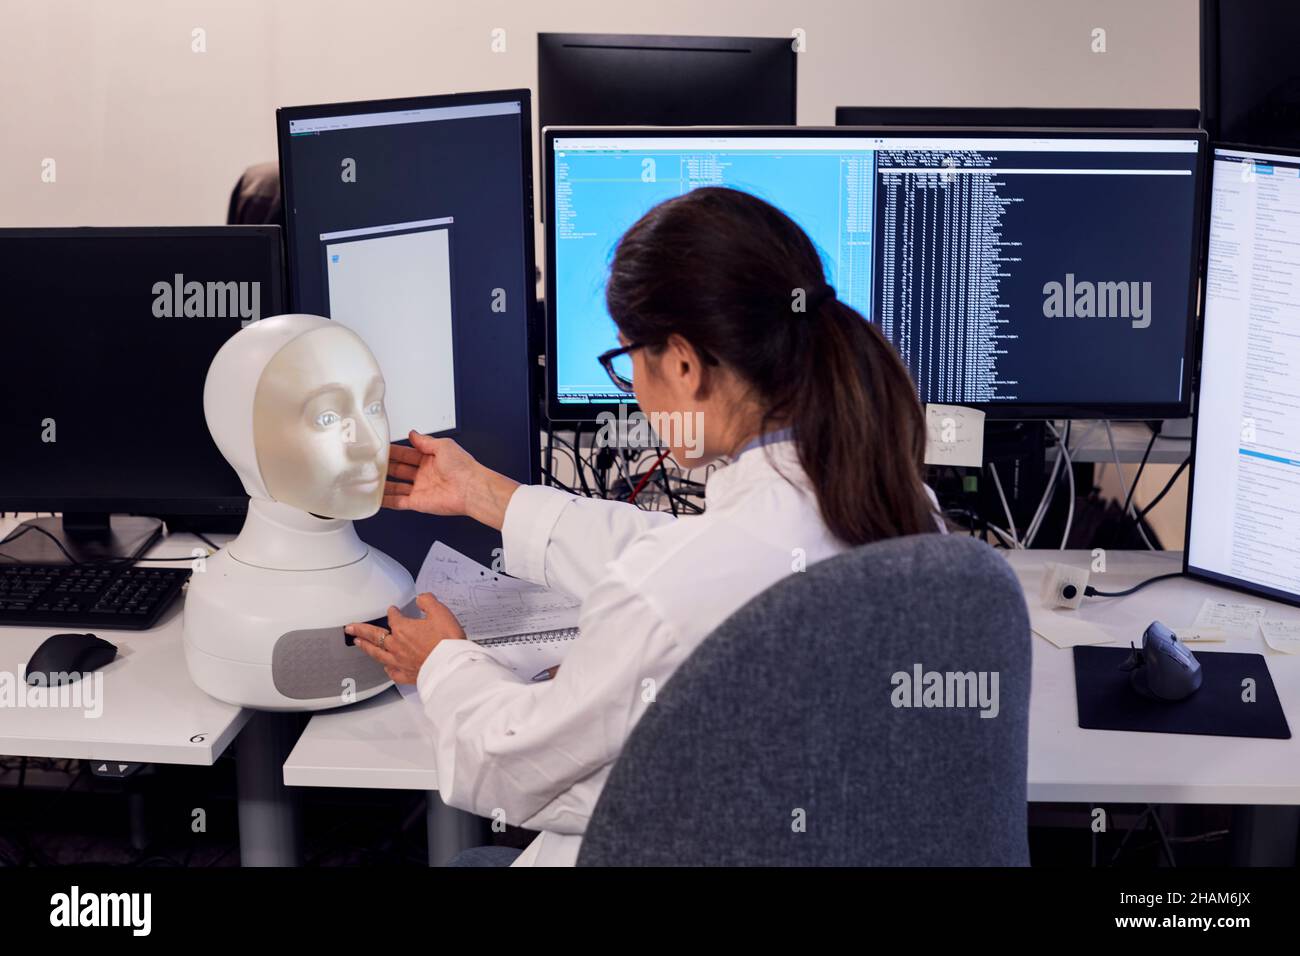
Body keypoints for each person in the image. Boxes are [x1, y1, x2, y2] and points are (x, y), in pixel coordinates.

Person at [346, 187, 943, 866]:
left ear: (685, 365)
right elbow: (683, 556)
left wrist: (444, 663)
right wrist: (488, 495)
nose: (631, 382)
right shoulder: (901, 509)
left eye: (628, 358)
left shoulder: (670, 595)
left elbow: (504, 769)